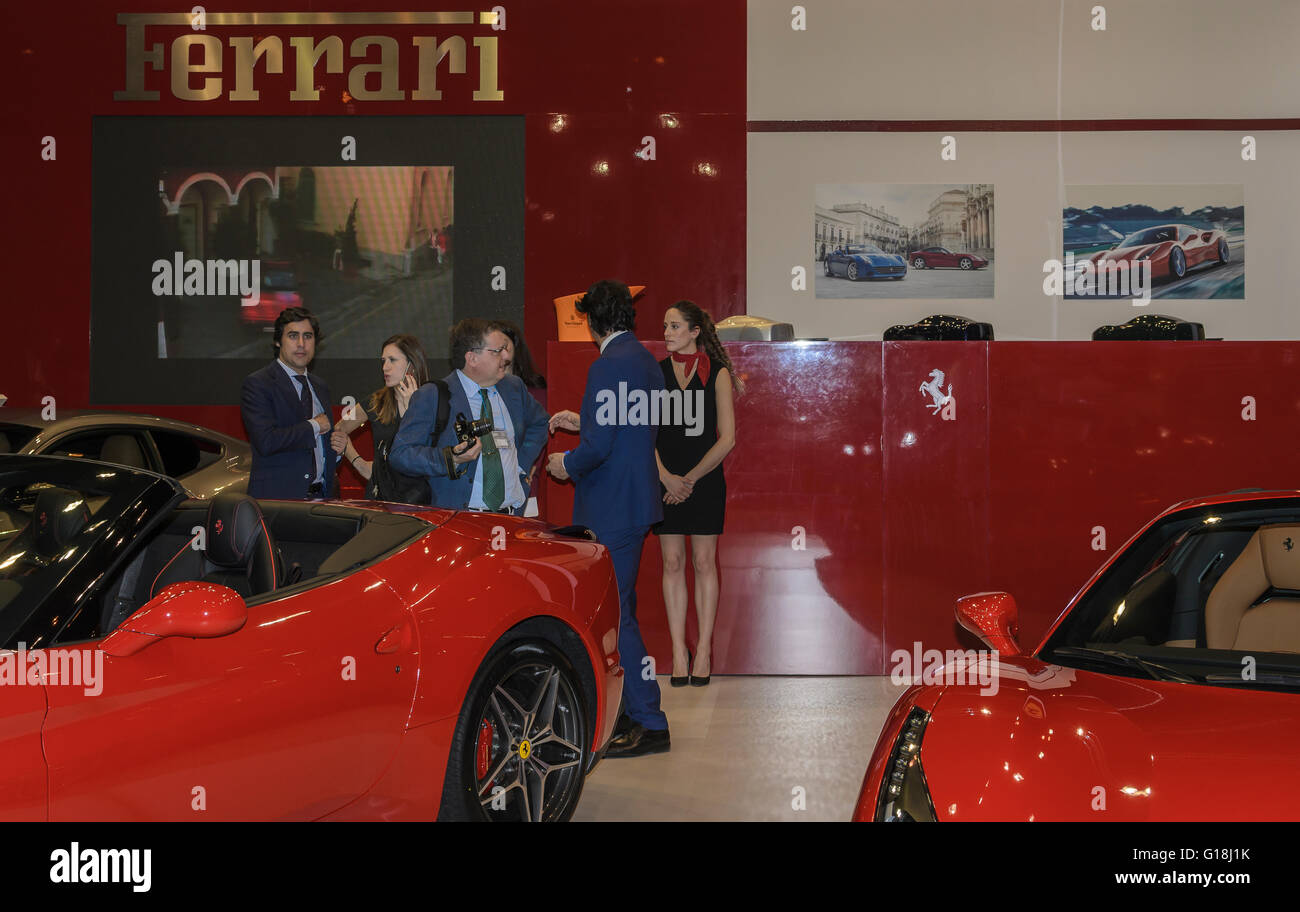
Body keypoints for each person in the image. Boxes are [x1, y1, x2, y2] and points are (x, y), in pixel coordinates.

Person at [547, 279, 669, 758]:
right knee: (624, 610)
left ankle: (648, 718)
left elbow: (599, 448)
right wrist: (585, 421)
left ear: (592, 322)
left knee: (619, 616)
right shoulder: (645, 361)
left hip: (611, 506)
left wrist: (566, 464)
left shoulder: (604, 366)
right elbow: (633, 425)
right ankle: (636, 711)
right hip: (637, 502)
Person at [654, 302, 740, 688]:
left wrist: (687, 479)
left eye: (675, 326)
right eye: (666, 326)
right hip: (664, 481)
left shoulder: (717, 373)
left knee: (704, 563)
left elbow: (728, 439)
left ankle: (703, 648)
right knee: (672, 563)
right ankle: (677, 650)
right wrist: (667, 478)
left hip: (703, 481)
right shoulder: (654, 374)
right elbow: (644, 435)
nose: (668, 332)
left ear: (694, 332)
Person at [389, 318, 548, 513]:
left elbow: (540, 423)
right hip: (460, 519)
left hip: (511, 516)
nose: (506, 356)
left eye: (505, 349)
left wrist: (521, 463)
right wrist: (451, 459)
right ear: (472, 358)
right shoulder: (433, 395)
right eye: (498, 351)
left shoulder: (513, 388)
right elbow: (401, 455)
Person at [240, 306, 336, 499]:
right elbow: (266, 442)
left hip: (323, 498)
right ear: (278, 341)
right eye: (293, 336)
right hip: (279, 503)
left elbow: (318, 445)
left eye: (308, 336)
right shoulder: (259, 383)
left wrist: (336, 449)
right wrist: (314, 425)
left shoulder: (320, 386)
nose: (301, 344)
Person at [330, 334, 431, 503]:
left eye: (392, 360)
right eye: (383, 361)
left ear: (411, 365)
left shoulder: (432, 401)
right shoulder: (375, 402)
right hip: (379, 498)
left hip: (418, 501)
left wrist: (412, 411)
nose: (385, 367)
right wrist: (360, 464)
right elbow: (340, 428)